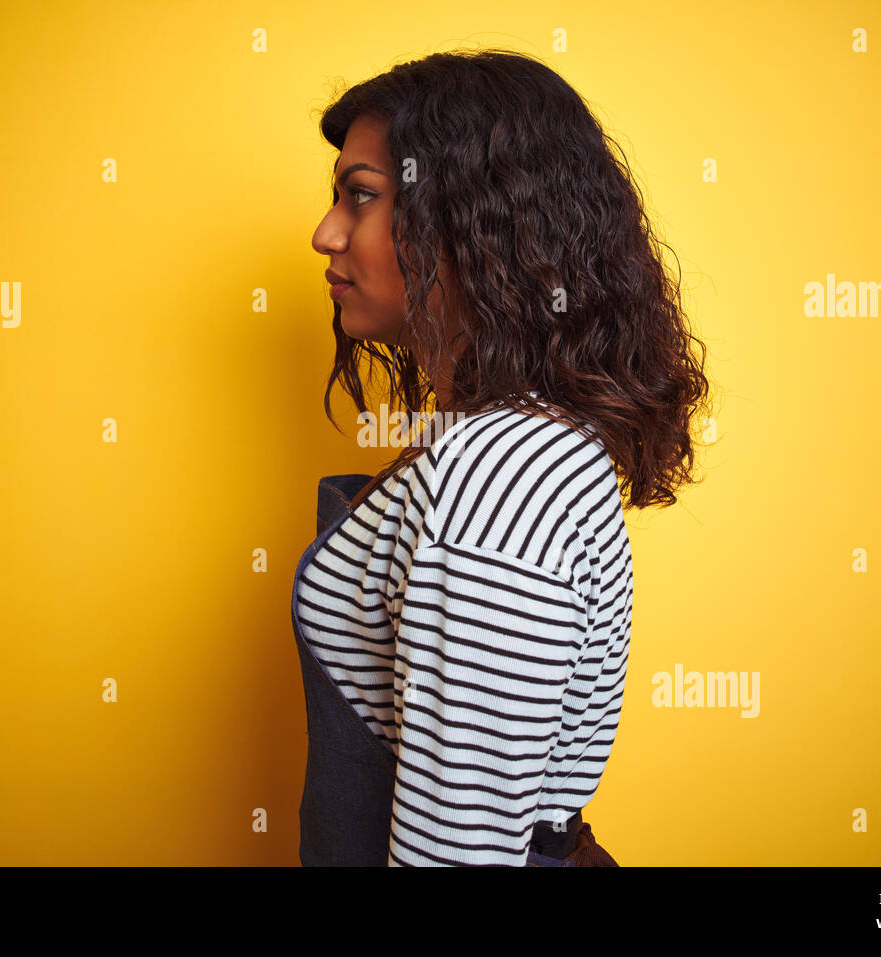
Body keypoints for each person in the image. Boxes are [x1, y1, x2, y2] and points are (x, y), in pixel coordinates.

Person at [295, 48, 711, 867]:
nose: (325, 233)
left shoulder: (503, 467)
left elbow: (460, 851)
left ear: (471, 220)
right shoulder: (505, 443)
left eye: (363, 197)